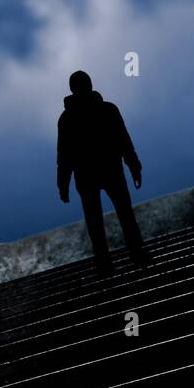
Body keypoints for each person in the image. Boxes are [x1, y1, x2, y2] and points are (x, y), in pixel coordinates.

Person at [56, 70, 148, 272]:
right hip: (111, 170)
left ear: (72, 89)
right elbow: (124, 141)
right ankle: (137, 255)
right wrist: (134, 166)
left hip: (86, 175)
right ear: (90, 84)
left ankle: (105, 264)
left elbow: (64, 156)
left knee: (95, 222)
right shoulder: (107, 109)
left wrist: (63, 185)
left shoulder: (67, 118)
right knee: (124, 214)